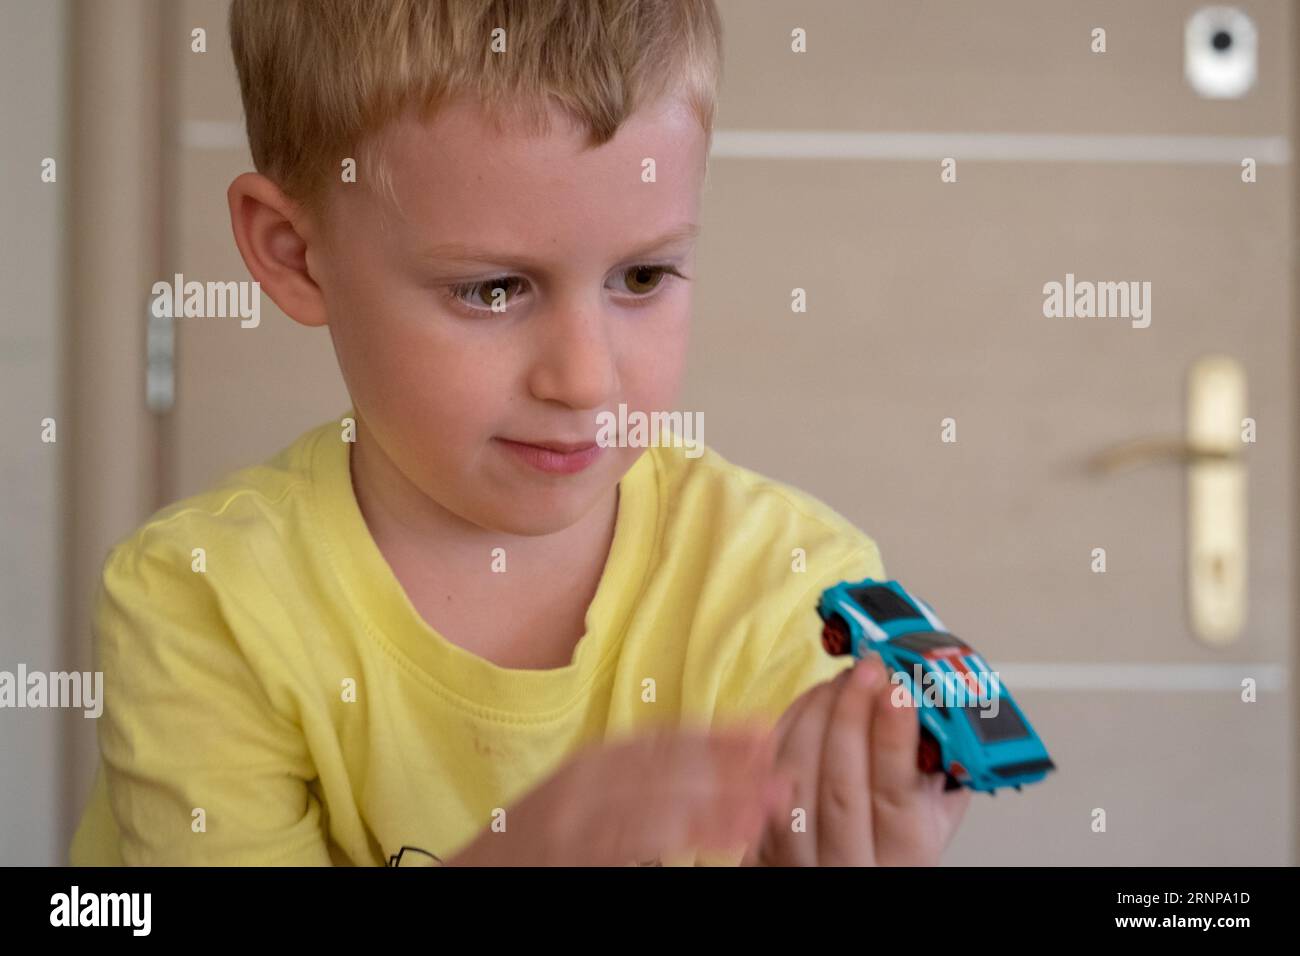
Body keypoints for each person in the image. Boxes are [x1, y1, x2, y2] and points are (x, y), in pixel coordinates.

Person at [70, 0, 970, 866]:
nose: (584, 380)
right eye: (493, 289)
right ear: (293, 252)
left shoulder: (791, 590)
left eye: (644, 275)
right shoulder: (203, 604)